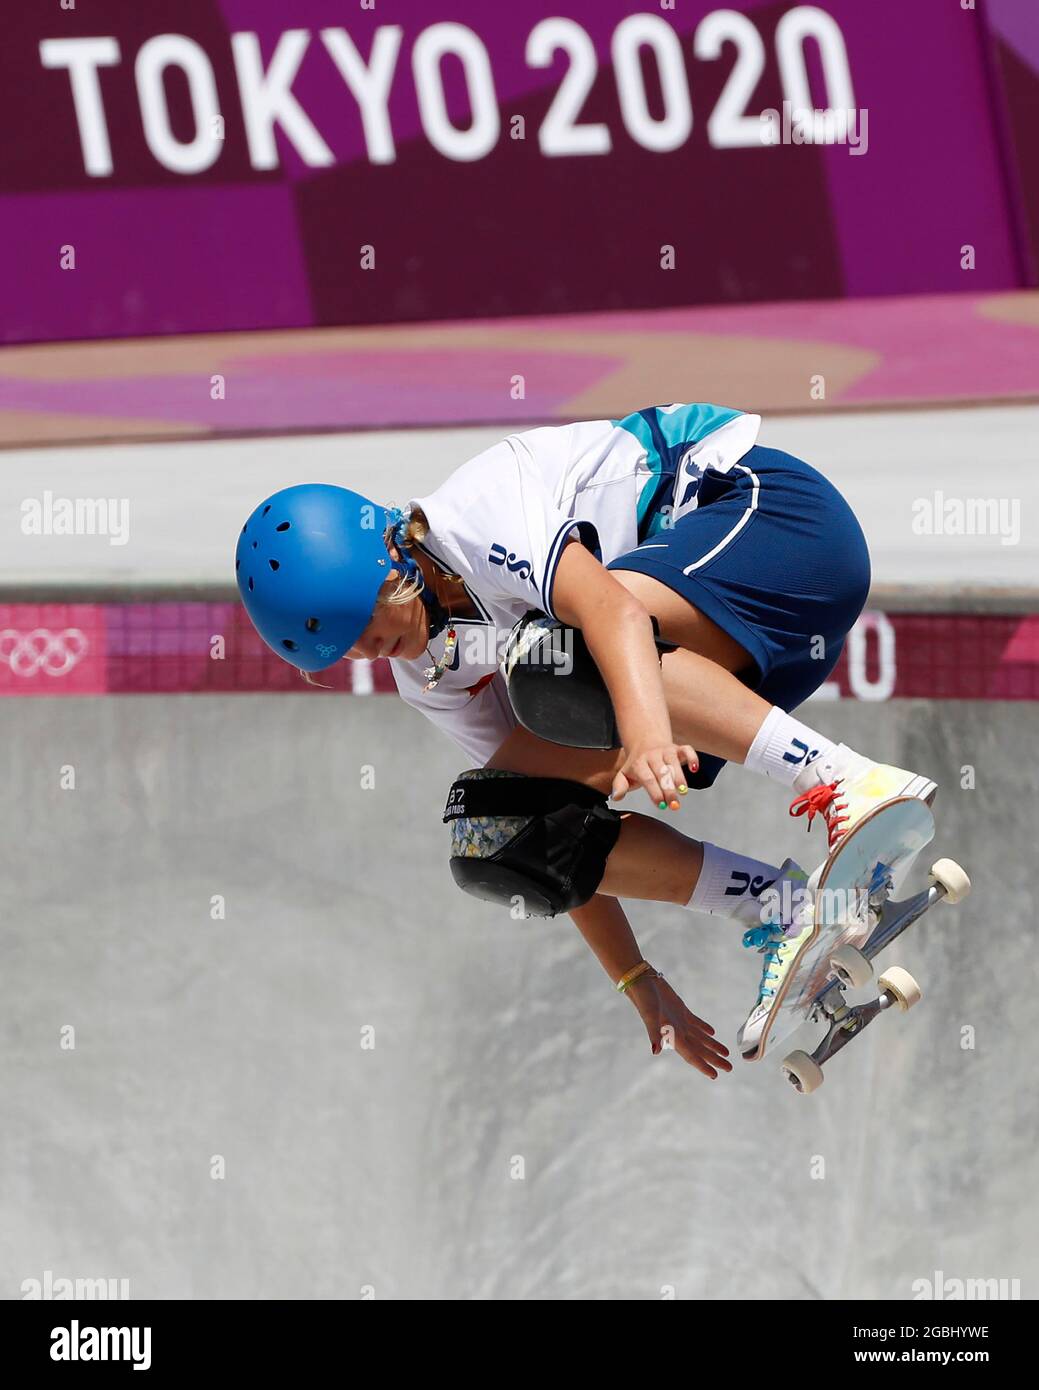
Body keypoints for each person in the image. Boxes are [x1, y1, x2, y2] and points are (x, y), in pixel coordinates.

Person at [235, 403, 935, 1080]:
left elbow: (611, 611)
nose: (372, 644)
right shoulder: (428, 676)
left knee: (558, 657)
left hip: (786, 537)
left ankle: (841, 777)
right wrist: (634, 977)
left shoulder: (478, 512)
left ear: (392, 553)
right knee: (498, 831)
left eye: (367, 612)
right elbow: (546, 815)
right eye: (347, 649)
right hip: (747, 656)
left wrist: (644, 734)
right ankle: (784, 908)